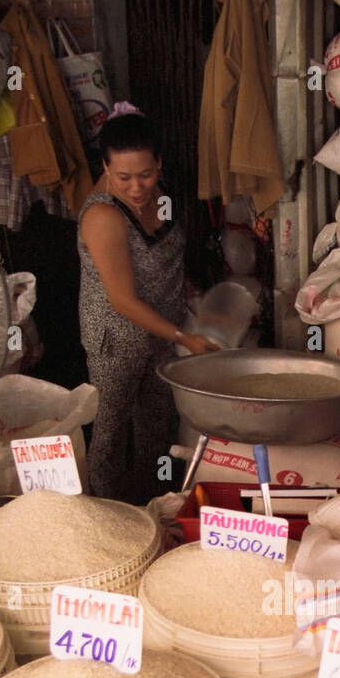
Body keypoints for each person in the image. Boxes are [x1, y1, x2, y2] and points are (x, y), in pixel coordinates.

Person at [78, 105, 218, 503]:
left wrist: (190, 291)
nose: (137, 187)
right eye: (123, 177)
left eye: (146, 174)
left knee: (157, 426)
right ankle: (106, 516)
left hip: (162, 334)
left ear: (159, 163)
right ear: (105, 167)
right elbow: (121, 299)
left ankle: (153, 505)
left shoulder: (162, 195)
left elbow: (171, 252)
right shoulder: (104, 216)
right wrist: (183, 337)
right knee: (110, 431)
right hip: (117, 341)